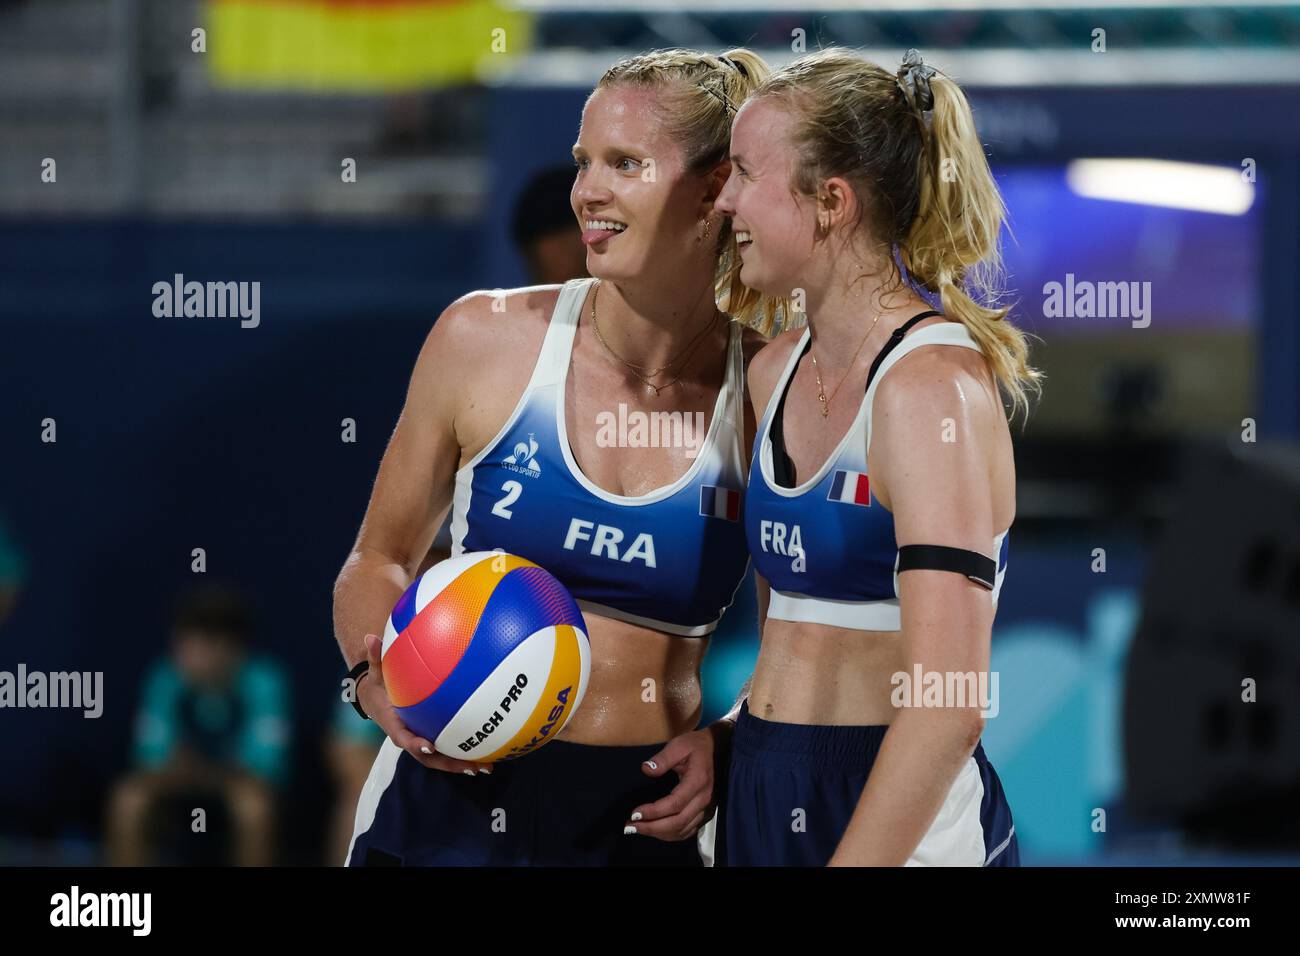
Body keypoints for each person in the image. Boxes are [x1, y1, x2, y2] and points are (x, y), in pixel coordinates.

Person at [336, 49, 774, 866]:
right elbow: (376, 558)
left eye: (624, 164)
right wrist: (370, 679)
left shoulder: (769, 387)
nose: (587, 193)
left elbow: (796, 633)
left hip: (642, 815)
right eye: (583, 163)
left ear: (714, 190)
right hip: (448, 802)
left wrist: (729, 736)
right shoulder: (481, 338)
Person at [699, 47, 1044, 865]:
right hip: (762, 785)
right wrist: (722, 740)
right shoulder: (774, 371)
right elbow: (791, 631)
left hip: (897, 814)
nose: (724, 200)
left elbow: (950, 707)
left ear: (831, 202)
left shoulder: (932, 392)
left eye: (746, 174)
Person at [107, 583, 290, 865]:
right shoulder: (164, 678)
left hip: (236, 786)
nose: (190, 654)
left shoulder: (264, 681)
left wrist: (207, 771)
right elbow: (150, 757)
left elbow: (265, 767)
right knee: (129, 799)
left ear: (233, 648)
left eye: (204, 644)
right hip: (178, 784)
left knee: (254, 808)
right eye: (184, 642)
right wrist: (179, 768)